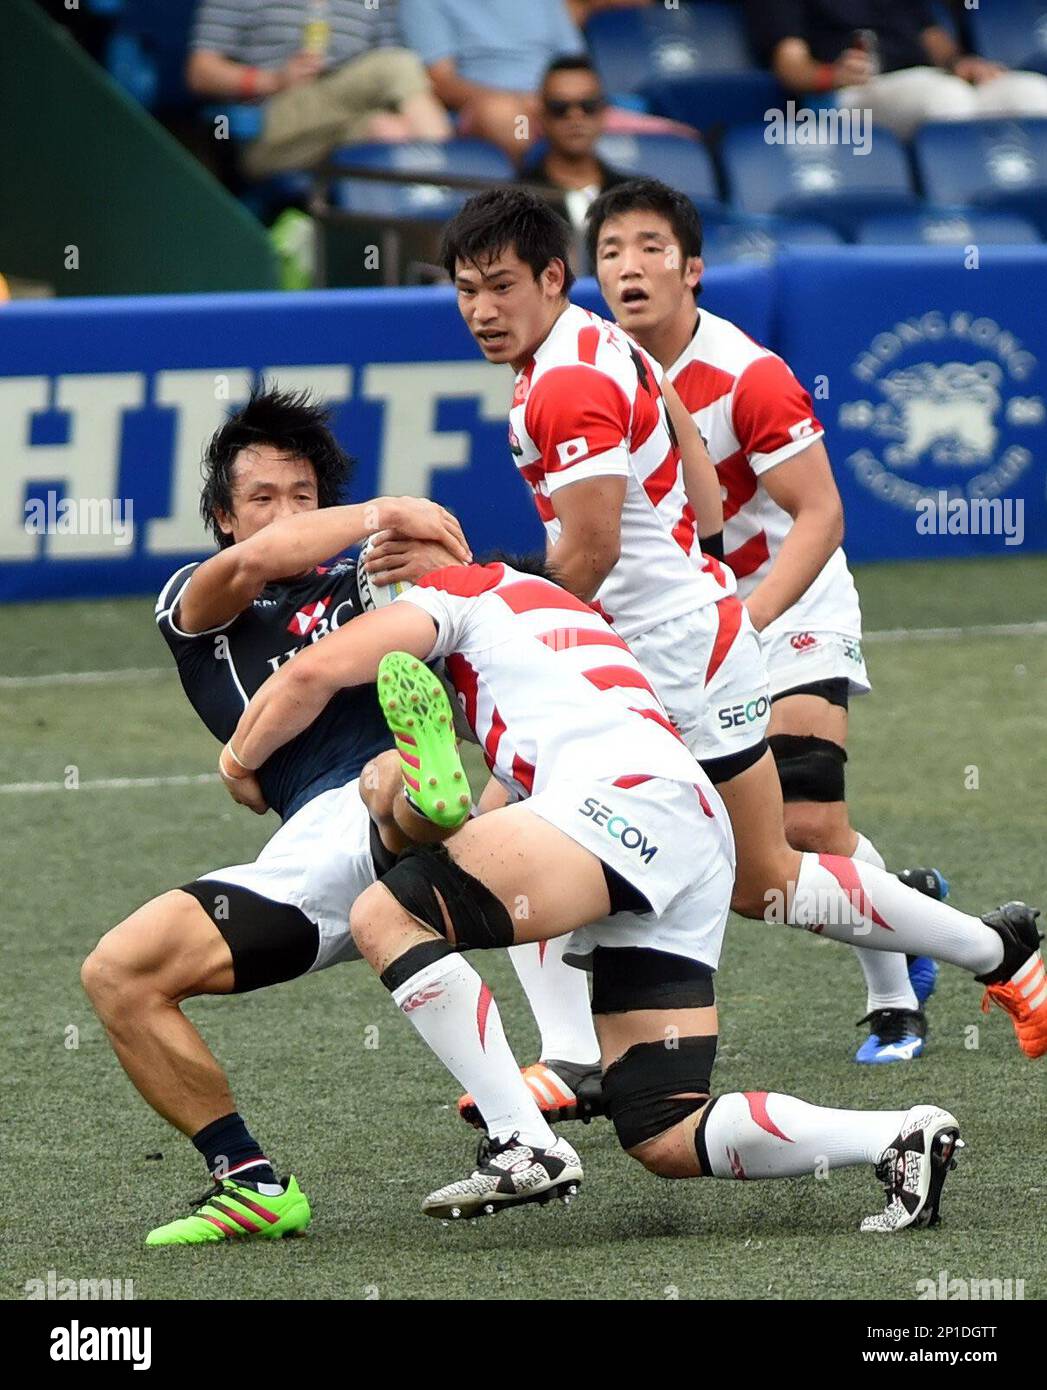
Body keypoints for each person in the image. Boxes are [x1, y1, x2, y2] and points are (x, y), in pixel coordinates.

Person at [434, 187, 1045, 1131]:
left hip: (673, 656)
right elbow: (685, 445)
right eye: (465, 290)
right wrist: (704, 567)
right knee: (768, 875)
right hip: (682, 636)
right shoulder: (596, 344)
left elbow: (589, 551)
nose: (480, 309)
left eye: (498, 286)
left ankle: (567, 1054)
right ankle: (1000, 953)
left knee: (511, 826)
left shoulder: (569, 379)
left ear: (550, 280)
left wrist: (504, 622)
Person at [220, 553, 971, 1233]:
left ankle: (523, 1141)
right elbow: (492, 841)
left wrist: (239, 763)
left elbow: (309, 673)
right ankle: (895, 1134)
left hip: (619, 805)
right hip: (688, 830)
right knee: (662, 1127)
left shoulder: (464, 589)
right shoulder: (552, 644)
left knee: (388, 912)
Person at [80, 387, 470, 1246]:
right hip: (316, 857)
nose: (286, 515)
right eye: (261, 498)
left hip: (367, 818)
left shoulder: (362, 575)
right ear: (223, 517)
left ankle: (417, 790)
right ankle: (247, 1181)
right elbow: (259, 563)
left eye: (303, 496)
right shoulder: (199, 600)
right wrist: (381, 510)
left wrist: (434, 547)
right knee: (119, 976)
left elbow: (460, 582)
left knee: (385, 769)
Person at [586, 177, 953, 1063]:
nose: (629, 267)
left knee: (806, 823)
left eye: (650, 249)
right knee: (746, 865)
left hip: (787, 601)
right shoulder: (587, 371)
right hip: (678, 622)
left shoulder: (747, 374)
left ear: (694, 269)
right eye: (609, 252)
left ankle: (892, 999)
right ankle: (903, 897)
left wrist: (745, 619)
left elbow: (821, 515)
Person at [186, 0, 452, 179]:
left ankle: (444, 233)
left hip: (343, 124)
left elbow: (400, 86)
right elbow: (201, 72)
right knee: (399, 65)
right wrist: (273, 81)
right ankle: (454, 183)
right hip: (271, 122)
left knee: (390, 130)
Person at [744, 0, 1047, 141]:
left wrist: (961, 63)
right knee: (948, 101)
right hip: (848, 96)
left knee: (1035, 96)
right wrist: (832, 75)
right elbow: (790, 64)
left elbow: (932, 37)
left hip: (926, 78)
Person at [520, 57, 627, 263]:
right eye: (559, 108)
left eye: (588, 106)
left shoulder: (635, 196)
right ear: (541, 115)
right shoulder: (515, 202)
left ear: (604, 112)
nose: (575, 116)